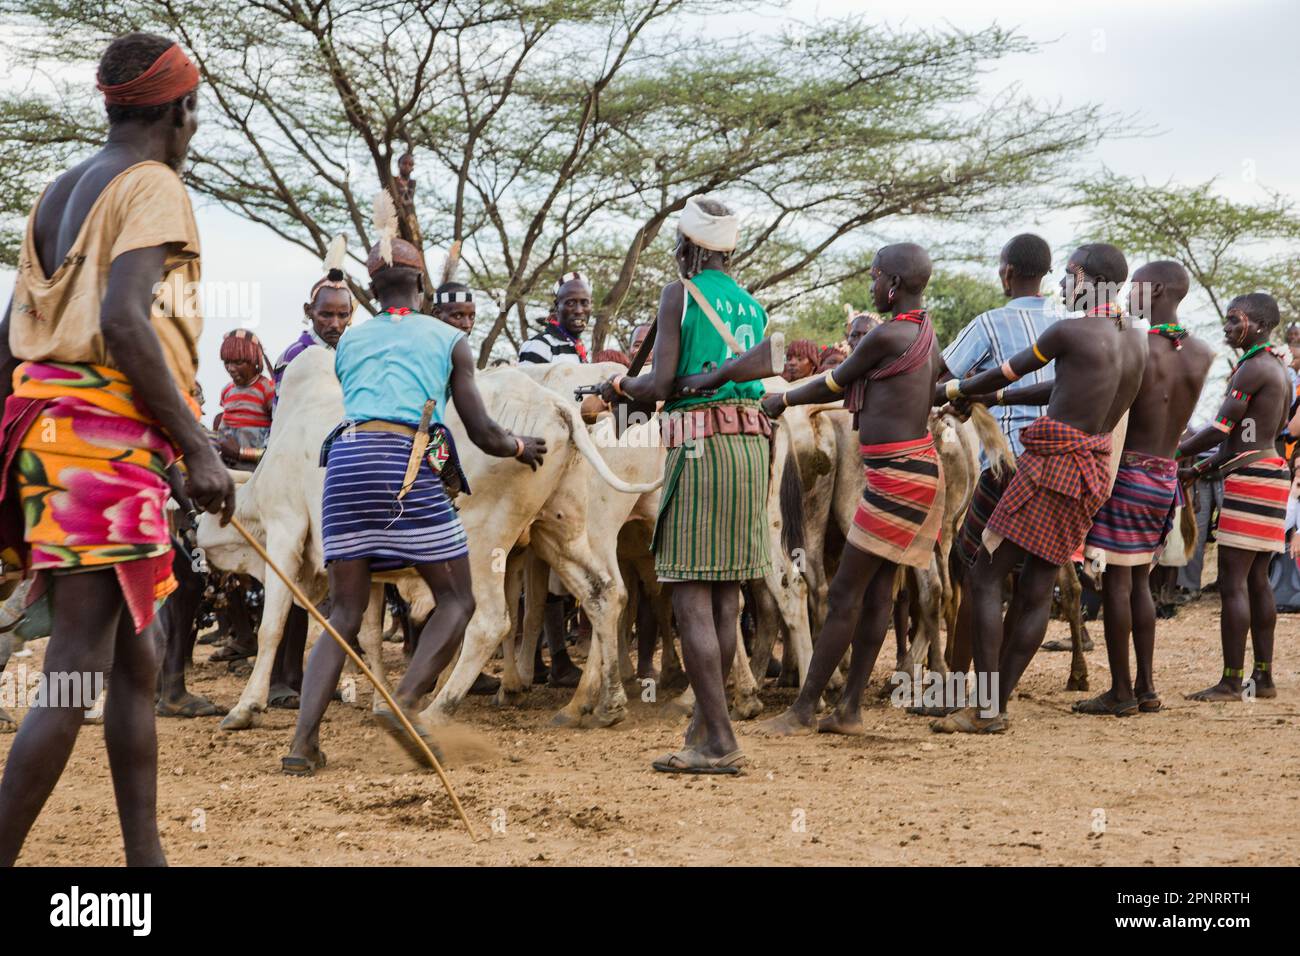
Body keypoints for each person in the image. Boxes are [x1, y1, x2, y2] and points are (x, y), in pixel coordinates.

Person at [0, 32, 235, 866]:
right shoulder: (154, 187)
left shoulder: (57, 193)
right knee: (73, 669)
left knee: (143, 653)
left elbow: (11, 338)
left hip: (56, 437)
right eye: (193, 114)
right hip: (101, 447)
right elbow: (127, 321)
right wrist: (197, 445)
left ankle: (147, 861)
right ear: (180, 110)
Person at [281, 193, 546, 775]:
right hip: (405, 463)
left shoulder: (350, 340)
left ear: (370, 295)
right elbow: (482, 432)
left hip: (345, 465)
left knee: (344, 611)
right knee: (457, 599)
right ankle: (403, 704)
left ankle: (302, 744)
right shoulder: (448, 340)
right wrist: (523, 447)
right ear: (422, 286)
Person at [930, 243, 1146, 734]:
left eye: (1068, 277)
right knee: (1035, 589)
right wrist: (995, 395)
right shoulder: (1134, 338)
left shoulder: (1068, 331)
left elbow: (1010, 370)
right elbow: (1061, 388)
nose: (1061, 287)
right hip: (1090, 472)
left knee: (984, 577)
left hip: (1047, 466)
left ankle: (984, 709)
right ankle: (994, 705)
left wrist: (958, 391)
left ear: (1082, 278)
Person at [598, 195, 769, 774]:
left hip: (701, 446)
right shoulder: (753, 307)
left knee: (692, 596)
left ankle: (717, 740)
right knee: (724, 595)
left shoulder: (681, 294)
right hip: (751, 449)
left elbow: (663, 383)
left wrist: (619, 389)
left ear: (690, 247)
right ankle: (704, 724)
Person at [755, 243, 944, 736]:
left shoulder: (888, 336)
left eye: (875, 278)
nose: (871, 287)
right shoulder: (925, 333)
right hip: (915, 471)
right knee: (878, 592)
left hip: (895, 478)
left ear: (894, 284)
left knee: (842, 594)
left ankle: (803, 709)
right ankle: (849, 709)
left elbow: (834, 384)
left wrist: (783, 400)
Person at [1065, 262, 1212, 715]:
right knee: (1141, 586)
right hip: (1165, 476)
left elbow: (1104, 406)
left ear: (1159, 289)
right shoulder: (1202, 352)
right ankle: (1145, 688)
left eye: (1136, 287)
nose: (1127, 293)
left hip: (1126, 473)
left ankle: (1122, 692)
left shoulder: (1135, 345)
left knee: (1117, 585)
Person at [1177, 293, 1290, 702]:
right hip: (1272, 473)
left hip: (1251, 478)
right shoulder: (1277, 369)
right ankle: (1263, 679)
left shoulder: (1252, 369)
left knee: (1233, 582)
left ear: (1258, 325)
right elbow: (1257, 437)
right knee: (1257, 579)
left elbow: (1221, 430)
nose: (1226, 328)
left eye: (1233, 321)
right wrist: (1199, 470)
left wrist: (1175, 452)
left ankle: (1230, 681)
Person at [216, 329, 274, 471]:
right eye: (227, 362)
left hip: (255, 470)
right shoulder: (227, 391)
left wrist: (241, 453)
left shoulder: (267, 389)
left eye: (238, 362)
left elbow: (277, 441)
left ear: (254, 360)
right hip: (228, 466)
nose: (231, 369)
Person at [518, 272, 591, 364]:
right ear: (557, 306)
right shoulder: (540, 345)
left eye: (585, 303)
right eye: (570, 303)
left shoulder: (579, 347)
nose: (579, 311)